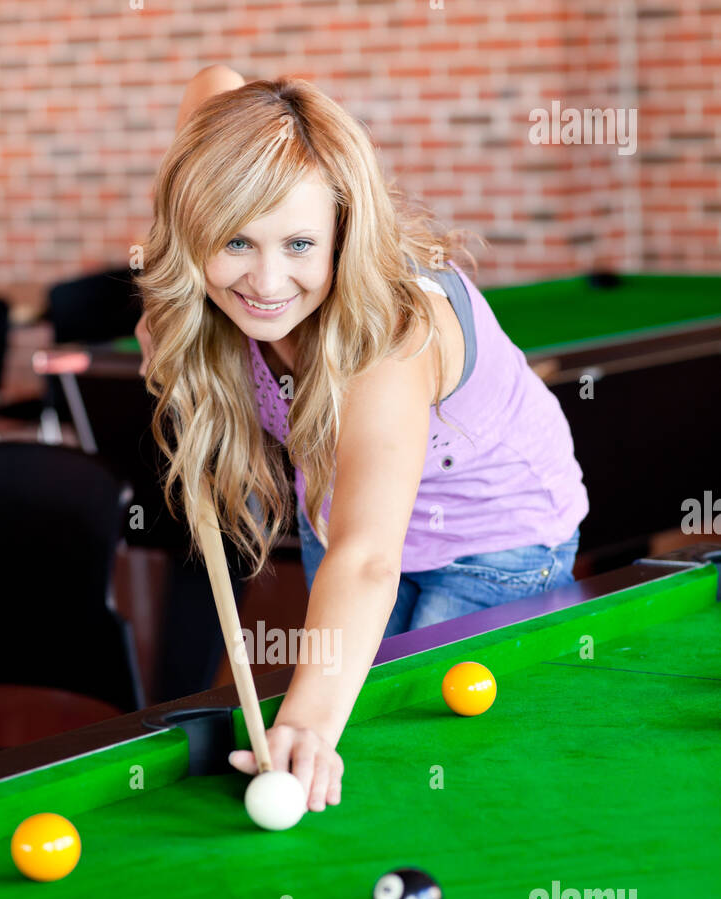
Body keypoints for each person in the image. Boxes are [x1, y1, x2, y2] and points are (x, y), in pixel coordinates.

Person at [135, 66, 588, 815]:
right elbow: (212, 85)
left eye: (299, 243)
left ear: (344, 234)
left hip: (492, 539)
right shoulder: (218, 181)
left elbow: (370, 557)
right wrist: (167, 302)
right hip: (339, 513)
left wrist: (307, 726)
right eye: (236, 240)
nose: (267, 282)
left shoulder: (393, 332)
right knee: (362, 709)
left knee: (429, 755)